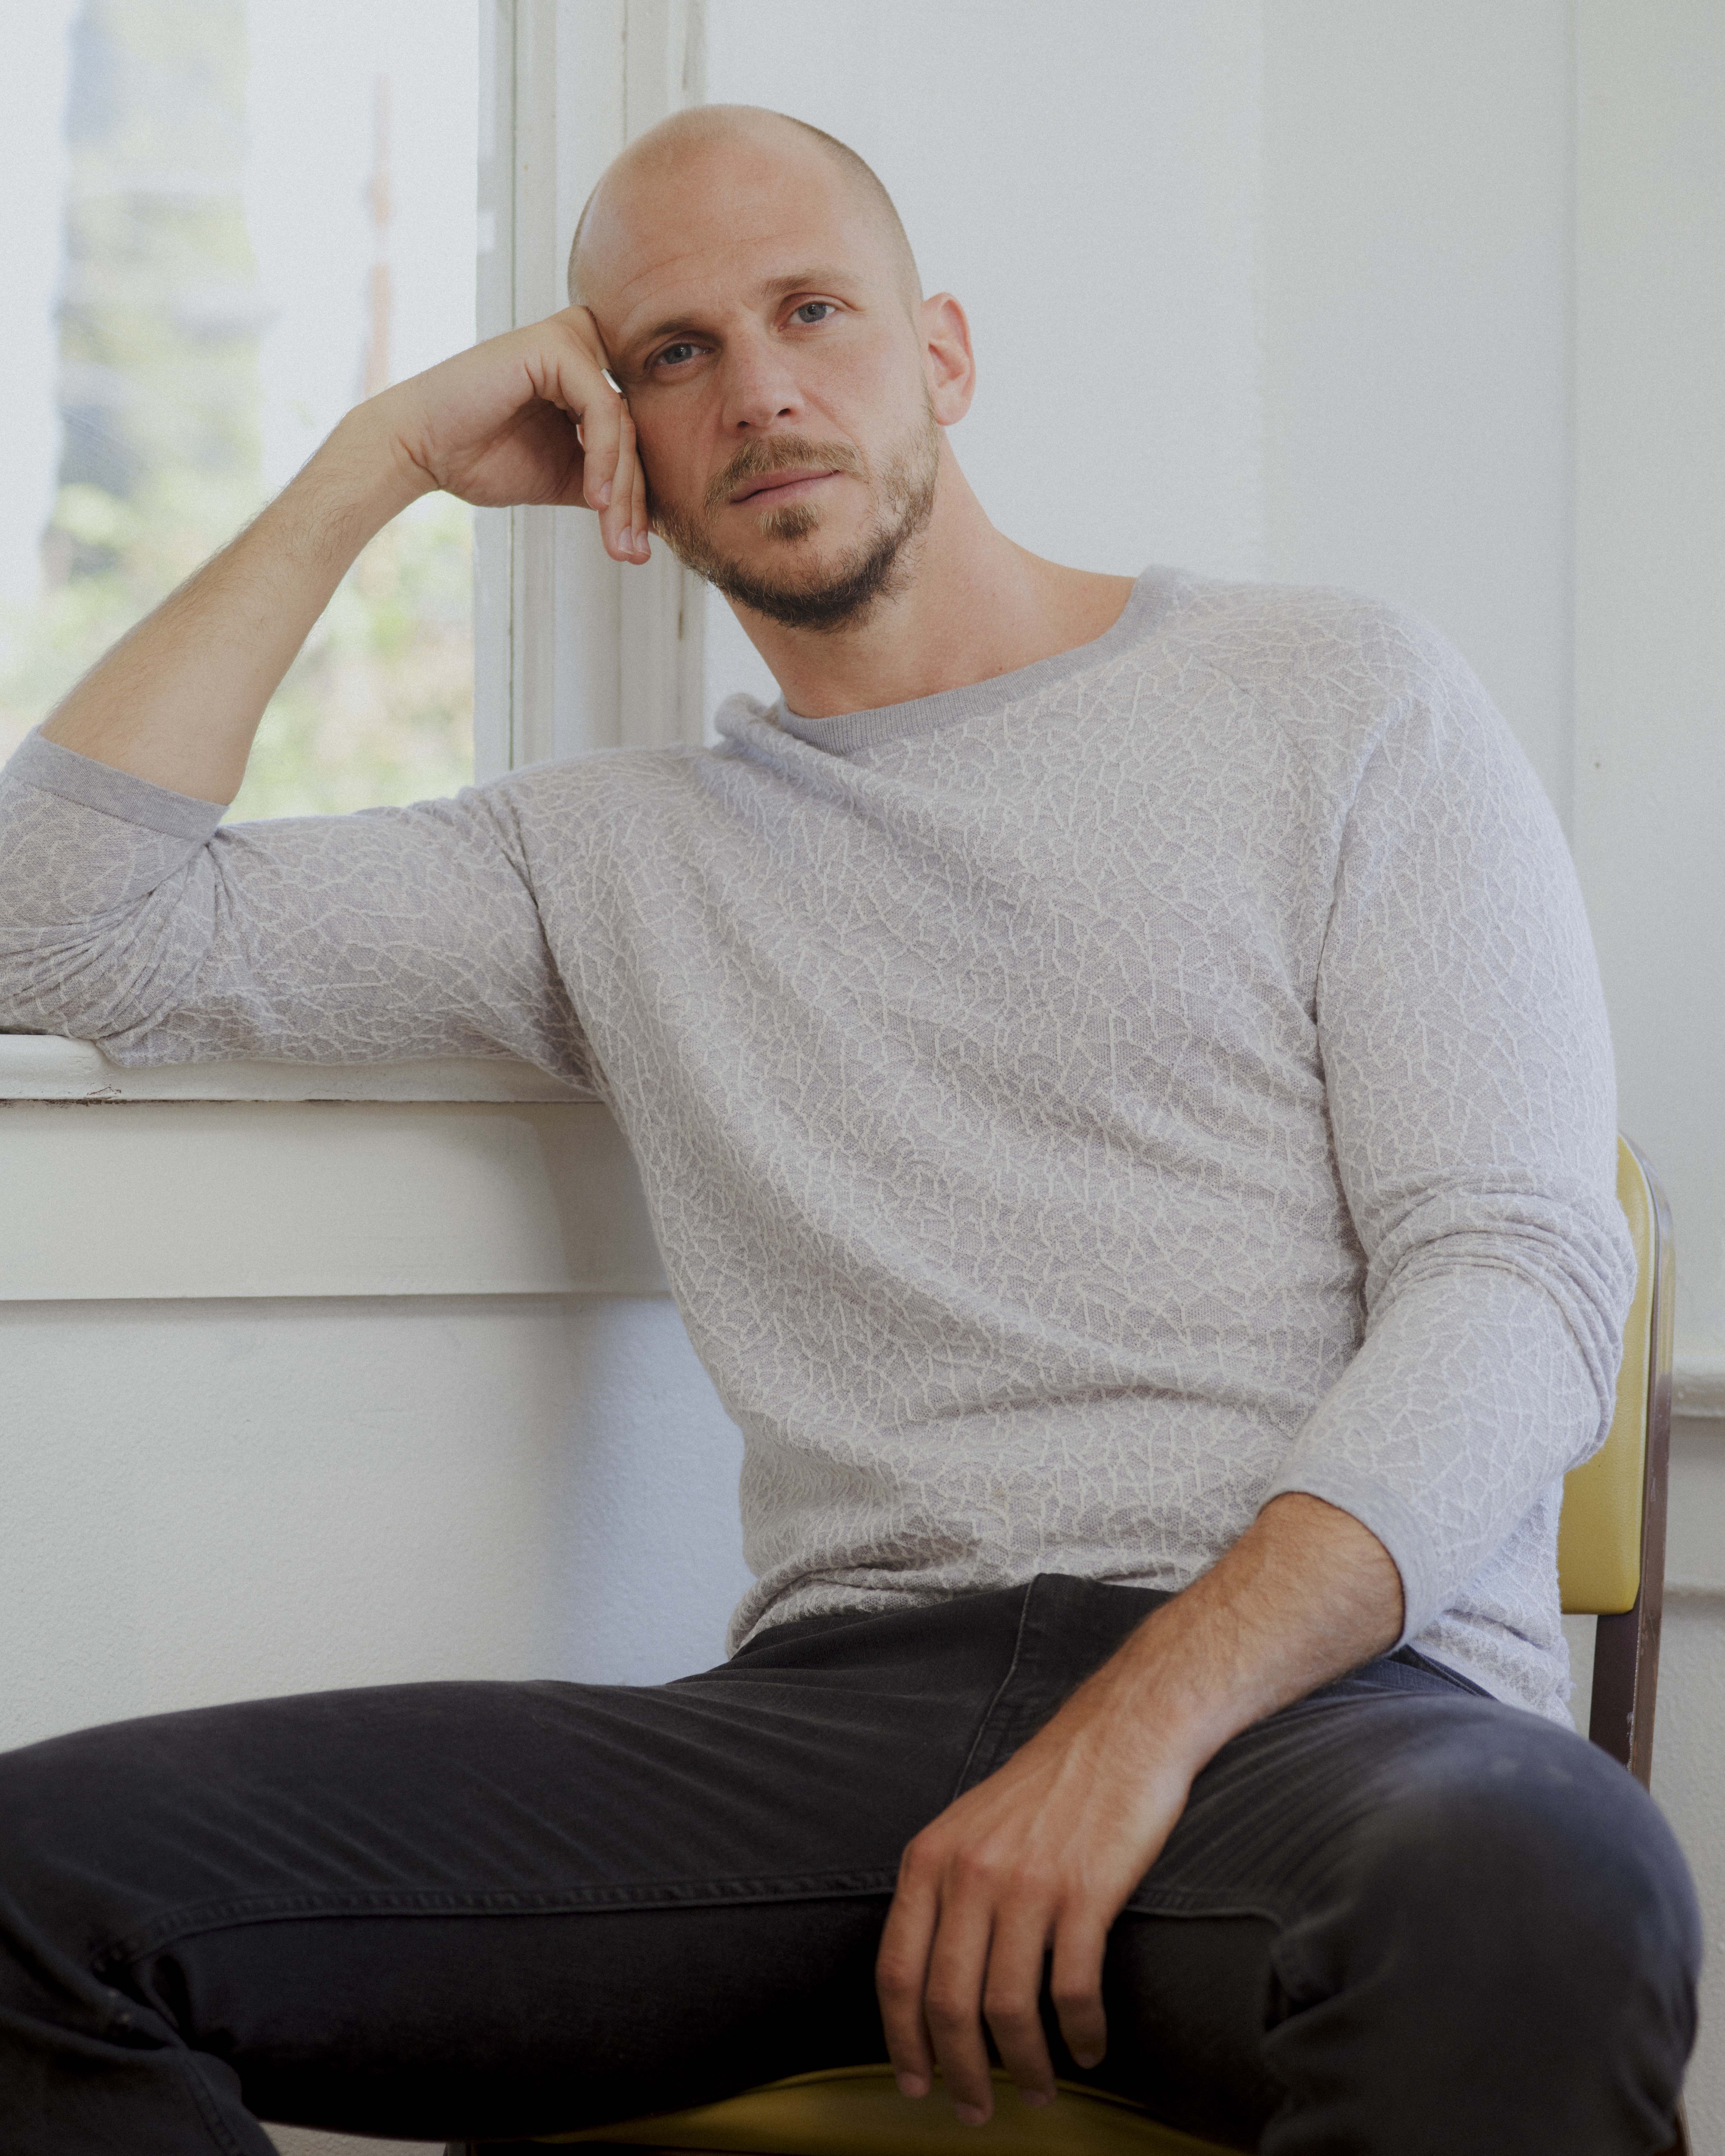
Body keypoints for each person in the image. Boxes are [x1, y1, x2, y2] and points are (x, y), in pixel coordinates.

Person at [0, 104, 1700, 2156]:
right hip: (835, 1734)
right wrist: (376, 464)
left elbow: (1516, 1276)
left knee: (1549, 1880)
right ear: (607, 437)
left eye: (813, 309)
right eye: (672, 352)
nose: (761, 388)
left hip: (1314, 1724)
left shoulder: (1334, 697)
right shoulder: (602, 856)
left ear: (944, 355)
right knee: (34, 1891)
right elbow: (65, 929)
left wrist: (1139, 1720)